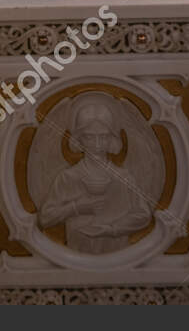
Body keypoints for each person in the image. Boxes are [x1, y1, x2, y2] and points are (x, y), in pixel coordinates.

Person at [38, 94, 152, 253]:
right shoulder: (68, 178)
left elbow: (143, 215)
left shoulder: (123, 178)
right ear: (79, 140)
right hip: (75, 255)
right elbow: (45, 218)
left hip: (118, 256)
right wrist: (77, 207)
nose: (97, 144)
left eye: (103, 137)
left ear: (112, 139)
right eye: (90, 137)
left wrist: (111, 229)